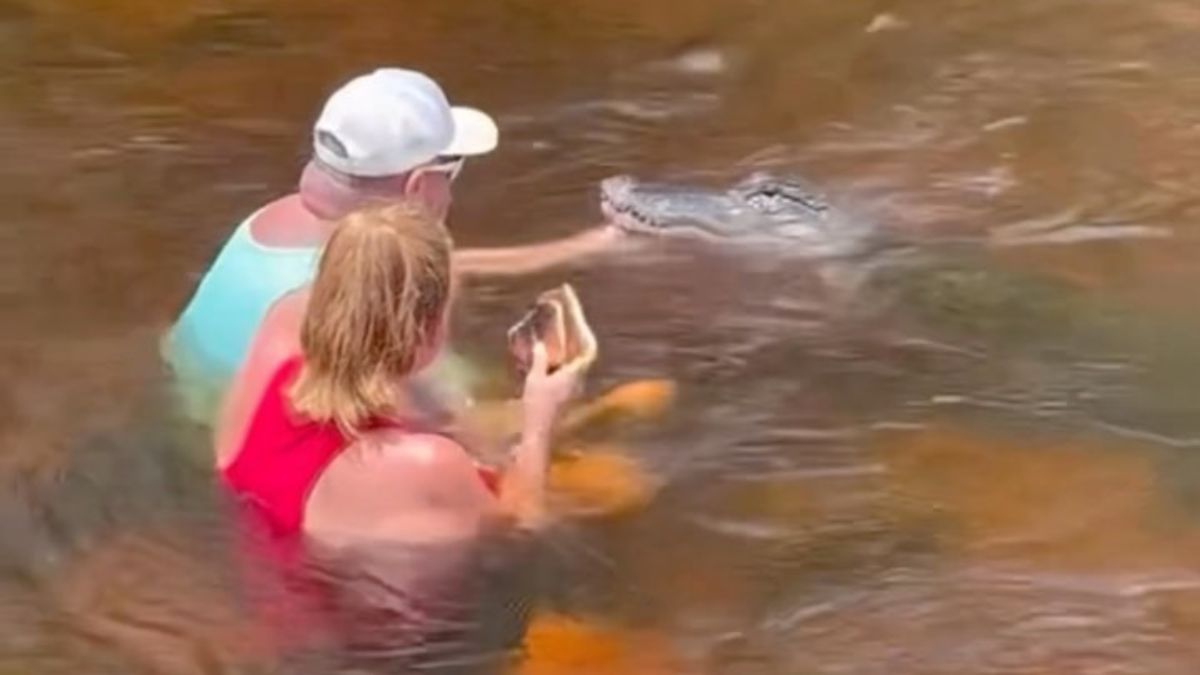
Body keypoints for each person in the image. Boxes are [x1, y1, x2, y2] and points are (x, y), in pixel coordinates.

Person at [167, 68, 617, 423]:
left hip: (197, 415)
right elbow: (456, 424)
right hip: (267, 449)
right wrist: (555, 408)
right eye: (452, 170)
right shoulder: (378, 298)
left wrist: (582, 248)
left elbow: (446, 265)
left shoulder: (280, 217)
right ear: (419, 186)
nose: (453, 193)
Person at [215, 201, 583, 542]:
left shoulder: (280, 328)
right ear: (425, 331)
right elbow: (524, 525)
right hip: (355, 609)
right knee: (611, 486)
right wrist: (538, 420)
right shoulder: (426, 463)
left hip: (262, 556)